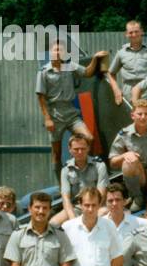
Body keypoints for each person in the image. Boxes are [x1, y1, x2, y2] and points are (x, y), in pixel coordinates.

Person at [35, 37, 112, 173]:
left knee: (89, 138)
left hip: (71, 114)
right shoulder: (43, 72)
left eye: (61, 49)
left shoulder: (70, 66)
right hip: (55, 115)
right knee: (56, 154)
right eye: (55, 49)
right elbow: (40, 96)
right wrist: (47, 119)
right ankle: (61, 185)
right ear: (51, 52)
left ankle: (87, 172)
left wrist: (94, 58)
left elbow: (87, 72)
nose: (58, 52)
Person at [54, 133, 108, 225]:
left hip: (95, 206)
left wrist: (92, 211)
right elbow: (66, 198)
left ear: (88, 148)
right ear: (70, 150)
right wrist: (73, 219)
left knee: (104, 214)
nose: (80, 152)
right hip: (76, 207)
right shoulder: (66, 170)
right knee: (53, 224)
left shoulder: (99, 166)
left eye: (83, 149)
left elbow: (101, 194)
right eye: (76, 149)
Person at [107, 20, 147, 106]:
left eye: (136, 32)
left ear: (142, 32)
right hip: (128, 95)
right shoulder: (121, 53)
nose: (134, 35)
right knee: (130, 119)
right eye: (130, 32)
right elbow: (111, 73)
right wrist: (116, 90)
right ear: (126, 34)